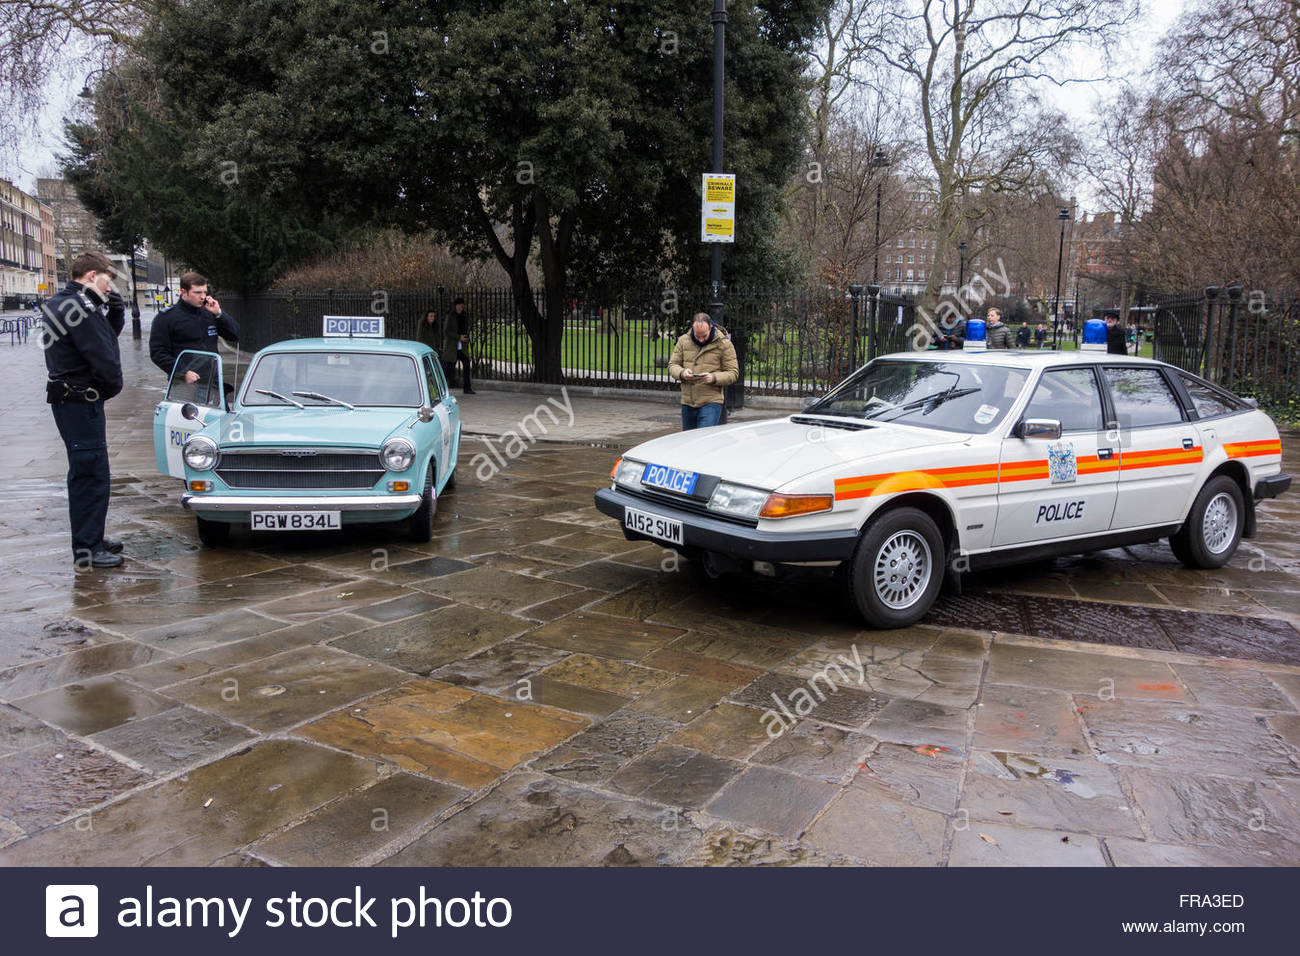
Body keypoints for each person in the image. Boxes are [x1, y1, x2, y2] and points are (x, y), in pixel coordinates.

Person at [40, 251, 126, 569]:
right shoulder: (80, 307)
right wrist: (111, 387)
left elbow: (101, 338)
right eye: (107, 281)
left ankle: (92, 536)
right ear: (91, 275)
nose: (110, 289)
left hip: (71, 401)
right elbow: (102, 354)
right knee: (91, 474)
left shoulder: (64, 302)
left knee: (90, 471)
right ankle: (88, 549)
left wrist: (114, 311)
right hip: (80, 401)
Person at [149, 271, 239, 384]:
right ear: (183, 292)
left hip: (212, 379)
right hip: (184, 382)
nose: (202, 297)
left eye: (204, 292)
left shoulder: (209, 312)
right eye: (197, 292)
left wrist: (219, 314)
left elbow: (234, 335)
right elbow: (158, 353)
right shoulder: (166, 317)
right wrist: (182, 372)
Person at [668, 313, 738, 429]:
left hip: (711, 401)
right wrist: (682, 373)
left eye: (704, 336)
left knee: (703, 439)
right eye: (697, 335)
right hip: (688, 401)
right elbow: (672, 365)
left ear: (711, 327)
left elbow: (733, 372)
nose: (700, 339)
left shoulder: (724, 344)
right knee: (688, 440)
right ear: (692, 328)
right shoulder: (683, 341)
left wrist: (714, 377)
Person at [417, 308, 457, 384]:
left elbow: (437, 339)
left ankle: (438, 383)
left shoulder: (435, 326)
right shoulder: (422, 325)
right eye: (431, 316)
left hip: (434, 351)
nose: (432, 318)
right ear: (427, 317)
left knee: (440, 366)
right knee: (427, 369)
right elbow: (420, 339)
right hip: (426, 351)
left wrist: (437, 349)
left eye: (434, 316)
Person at [450, 296, 475, 394]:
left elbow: (466, 327)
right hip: (452, 346)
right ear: (455, 306)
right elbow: (447, 331)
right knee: (449, 367)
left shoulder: (464, 315)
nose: (460, 307)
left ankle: (467, 387)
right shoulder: (451, 316)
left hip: (462, 346)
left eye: (462, 305)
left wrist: (465, 337)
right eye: (459, 305)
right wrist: (458, 337)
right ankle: (448, 384)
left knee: (466, 363)